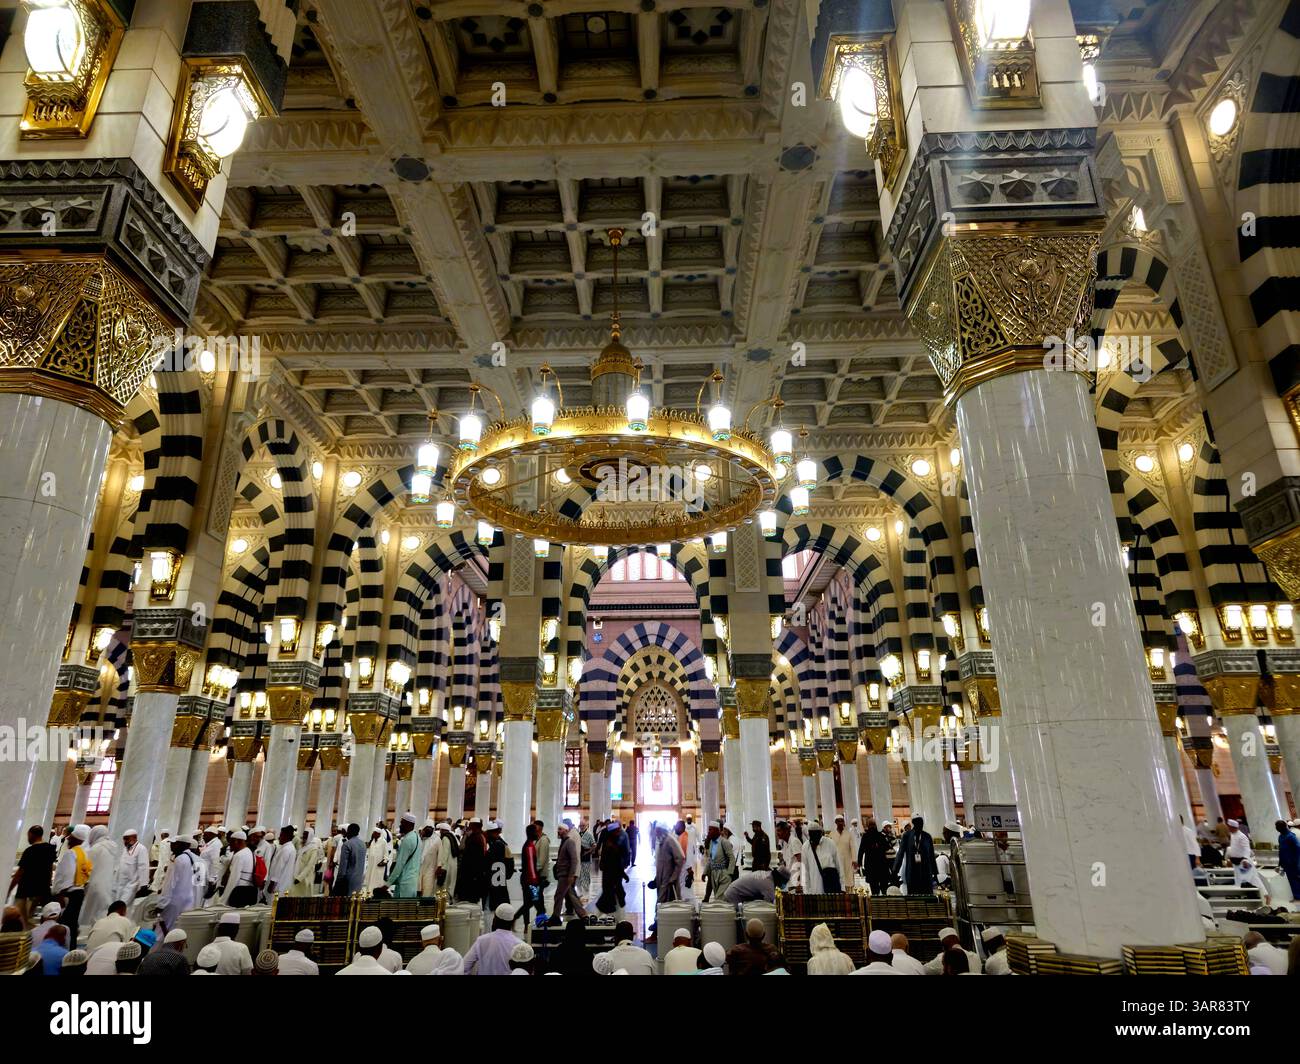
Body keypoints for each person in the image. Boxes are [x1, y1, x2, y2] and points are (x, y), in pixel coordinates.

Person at [52, 824, 93, 947]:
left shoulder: (71, 853)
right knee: (73, 925)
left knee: (65, 925)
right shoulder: (85, 853)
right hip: (79, 892)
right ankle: (71, 948)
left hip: (68, 893)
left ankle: (63, 950)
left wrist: (60, 895)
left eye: (72, 837)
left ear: (78, 839)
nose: (68, 839)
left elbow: (67, 875)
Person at [10, 825, 57, 928]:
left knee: (22, 920)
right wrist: (47, 884)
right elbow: (49, 869)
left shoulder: (30, 851)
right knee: (30, 918)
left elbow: (19, 873)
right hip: (41, 890)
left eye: (28, 835)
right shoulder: (50, 849)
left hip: (26, 891)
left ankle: (28, 939)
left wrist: (9, 890)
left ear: (31, 834)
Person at [463, 903, 523, 975]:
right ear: (512, 922)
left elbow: (464, 967)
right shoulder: (519, 945)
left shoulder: (482, 940)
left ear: (495, 919)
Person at [156, 838, 200, 936]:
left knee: (161, 933)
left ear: (184, 845)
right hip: (189, 904)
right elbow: (200, 887)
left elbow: (170, 884)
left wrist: (161, 905)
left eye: (174, 844)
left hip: (173, 903)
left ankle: (158, 951)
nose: (171, 846)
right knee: (179, 932)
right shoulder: (199, 860)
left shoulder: (180, 859)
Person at [549, 819, 587, 924]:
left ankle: (556, 917)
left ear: (566, 830)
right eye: (558, 829)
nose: (558, 831)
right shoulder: (565, 841)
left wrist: (571, 874)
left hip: (566, 874)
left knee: (559, 895)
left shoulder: (570, 841)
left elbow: (574, 859)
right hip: (564, 873)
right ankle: (583, 915)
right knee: (570, 894)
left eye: (560, 829)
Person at [79, 826, 117, 926]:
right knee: (102, 912)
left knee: (90, 914)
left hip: (94, 886)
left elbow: (87, 869)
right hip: (107, 885)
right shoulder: (111, 848)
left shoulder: (96, 848)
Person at [892, 815, 937, 895]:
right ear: (913, 823)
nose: (920, 825)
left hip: (926, 872)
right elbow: (900, 853)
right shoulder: (907, 836)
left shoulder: (927, 836)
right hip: (912, 872)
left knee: (928, 896)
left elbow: (931, 856)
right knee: (914, 898)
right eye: (918, 823)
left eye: (921, 823)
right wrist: (895, 870)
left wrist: (935, 873)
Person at [597, 818, 630, 914]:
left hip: (615, 868)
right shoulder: (609, 838)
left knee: (613, 886)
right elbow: (604, 852)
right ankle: (612, 905)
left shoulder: (621, 836)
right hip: (609, 868)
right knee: (609, 887)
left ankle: (614, 904)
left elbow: (624, 852)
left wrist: (624, 868)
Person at [386, 814, 422, 899]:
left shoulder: (407, 840)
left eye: (402, 823)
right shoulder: (416, 837)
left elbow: (400, 864)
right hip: (412, 880)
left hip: (404, 883)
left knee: (402, 910)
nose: (400, 826)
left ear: (409, 825)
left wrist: (388, 884)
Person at [799, 824, 841, 893]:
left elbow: (838, 866)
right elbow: (805, 871)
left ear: (820, 833)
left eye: (816, 834)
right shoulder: (805, 847)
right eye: (811, 835)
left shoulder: (830, 844)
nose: (814, 838)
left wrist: (842, 886)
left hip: (831, 888)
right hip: (814, 889)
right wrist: (806, 891)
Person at [220, 830, 257, 906]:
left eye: (231, 842)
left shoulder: (239, 855)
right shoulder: (250, 852)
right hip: (248, 891)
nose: (229, 845)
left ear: (236, 841)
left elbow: (233, 879)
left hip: (238, 892)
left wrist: (224, 901)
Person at [456, 818, 488, 904]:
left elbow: (473, 858)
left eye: (470, 825)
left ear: (474, 826)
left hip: (472, 874)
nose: (469, 826)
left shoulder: (476, 838)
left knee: (470, 899)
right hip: (474, 873)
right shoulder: (478, 836)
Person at [653, 821, 685, 905]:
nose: (656, 833)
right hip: (662, 878)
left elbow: (681, 858)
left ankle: (659, 917)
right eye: (656, 830)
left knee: (664, 902)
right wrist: (656, 879)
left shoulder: (670, 840)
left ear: (663, 831)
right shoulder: (661, 841)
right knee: (663, 903)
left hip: (668, 879)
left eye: (658, 831)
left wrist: (673, 877)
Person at [703, 820, 736, 900]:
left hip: (723, 875)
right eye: (709, 829)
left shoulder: (724, 842)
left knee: (718, 898)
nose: (709, 832)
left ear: (717, 830)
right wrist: (705, 872)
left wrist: (729, 873)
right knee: (719, 898)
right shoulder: (711, 842)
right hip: (714, 875)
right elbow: (710, 859)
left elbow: (732, 858)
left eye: (711, 829)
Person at [857, 818, 891, 896]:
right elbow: (887, 847)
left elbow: (861, 850)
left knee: (874, 888)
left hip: (871, 865)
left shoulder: (865, 836)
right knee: (884, 887)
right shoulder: (880, 835)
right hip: (881, 864)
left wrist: (859, 863)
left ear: (867, 826)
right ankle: (884, 903)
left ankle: (876, 903)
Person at [484, 820, 513, 911]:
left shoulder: (497, 843)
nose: (498, 833)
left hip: (497, 874)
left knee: (498, 899)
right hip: (497, 875)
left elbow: (508, 859)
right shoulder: (499, 843)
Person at [724, 866, 789, 904]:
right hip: (733, 896)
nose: (784, 885)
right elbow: (769, 907)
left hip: (733, 891)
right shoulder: (768, 884)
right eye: (785, 882)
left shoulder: (767, 875)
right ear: (780, 879)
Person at [265, 825, 297, 903]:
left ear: (286, 836)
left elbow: (279, 868)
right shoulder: (290, 848)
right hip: (284, 884)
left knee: (273, 905)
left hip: (278, 884)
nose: (279, 837)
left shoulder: (286, 849)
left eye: (281, 835)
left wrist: (272, 883)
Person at [334, 823, 366, 896]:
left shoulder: (347, 844)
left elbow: (343, 866)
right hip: (359, 879)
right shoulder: (363, 844)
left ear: (349, 831)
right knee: (354, 902)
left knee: (346, 903)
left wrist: (338, 881)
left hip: (348, 880)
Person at [292, 827, 322, 897]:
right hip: (296, 875)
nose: (304, 836)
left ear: (310, 836)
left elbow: (309, 865)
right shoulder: (302, 846)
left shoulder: (314, 849)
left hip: (305, 878)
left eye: (306, 835)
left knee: (304, 897)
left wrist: (299, 878)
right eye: (303, 834)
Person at [1276, 819, 1300, 901]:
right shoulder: (1281, 837)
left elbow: (1298, 848)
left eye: (1278, 827)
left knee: (1295, 879)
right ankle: (1295, 895)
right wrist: (1279, 863)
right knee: (1290, 880)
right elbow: (1281, 850)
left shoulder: (1291, 836)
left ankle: (1298, 896)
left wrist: (1295, 860)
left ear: (1283, 827)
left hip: (1292, 862)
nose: (1277, 828)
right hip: (1285, 863)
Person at [364, 824, 389, 894]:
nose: (372, 834)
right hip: (371, 865)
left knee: (377, 881)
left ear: (378, 834)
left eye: (374, 833)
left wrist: (384, 862)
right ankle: (369, 893)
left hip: (379, 866)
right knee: (370, 880)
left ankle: (376, 895)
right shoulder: (372, 842)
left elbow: (386, 854)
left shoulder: (383, 841)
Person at [832, 816, 855, 885]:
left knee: (848, 877)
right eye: (839, 821)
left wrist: (854, 859)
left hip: (847, 859)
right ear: (835, 822)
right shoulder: (832, 834)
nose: (840, 823)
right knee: (838, 877)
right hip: (836, 860)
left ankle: (849, 893)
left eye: (842, 821)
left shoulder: (848, 834)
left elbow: (852, 847)